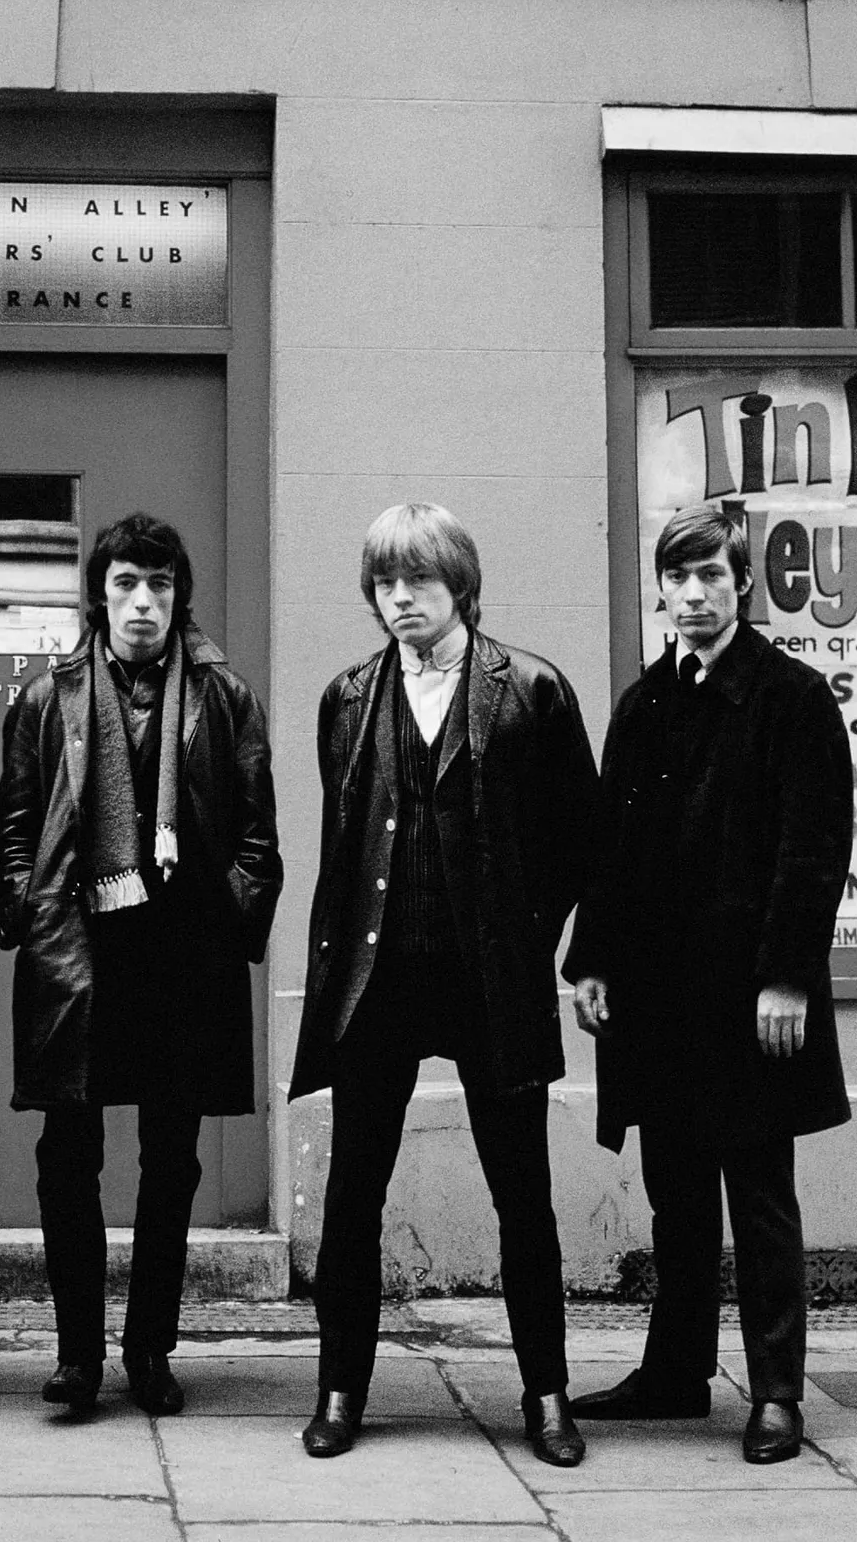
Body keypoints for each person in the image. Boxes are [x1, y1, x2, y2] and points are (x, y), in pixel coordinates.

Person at [288, 503, 599, 1464]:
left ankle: (546, 1396)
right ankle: (341, 1388)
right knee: (353, 1195)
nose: (400, 599)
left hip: (488, 983)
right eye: (385, 583)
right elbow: (346, 851)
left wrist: (527, 934)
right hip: (377, 981)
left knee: (523, 1193)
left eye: (418, 582)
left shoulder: (532, 690)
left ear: (459, 585)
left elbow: (579, 841)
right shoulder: (348, 699)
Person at [564, 503, 854, 1465]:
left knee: (760, 1197)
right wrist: (592, 959)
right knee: (676, 1195)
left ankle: (776, 1393)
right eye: (678, 580)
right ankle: (676, 1373)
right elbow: (608, 850)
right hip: (660, 1003)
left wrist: (786, 981)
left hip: (747, 1001)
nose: (693, 596)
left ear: (741, 587)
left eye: (712, 580)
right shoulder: (645, 703)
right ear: (661, 589)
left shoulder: (792, 699)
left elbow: (811, 855)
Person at [0, 512, 281, 1418]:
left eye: (158, 586)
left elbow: (257, 836)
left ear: (178, 596)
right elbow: (13, 827)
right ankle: (77, 1355)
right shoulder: (49, 694)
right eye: (125, 584)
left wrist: (223, 911)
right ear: (99, 595)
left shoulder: (223, 694)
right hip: (80, 955)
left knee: (173, 1159)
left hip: (183, 958)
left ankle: (150, 1349)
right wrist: (31, 915)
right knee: (68, 1154)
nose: (143, 603)